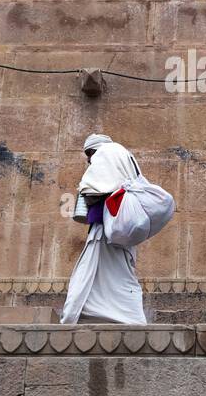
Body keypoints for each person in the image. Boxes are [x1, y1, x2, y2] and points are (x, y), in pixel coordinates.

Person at [60, 133, 148, 324]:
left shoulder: (105, 153)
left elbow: (94, 191)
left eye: (89, 155)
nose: (89, 160)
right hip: (121, 228)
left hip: (105, 228)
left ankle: (72, 315)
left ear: (93, 150)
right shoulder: (123, 155)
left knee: (86, 272)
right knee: (119, 273)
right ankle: (129, 316)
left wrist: (84, 192)